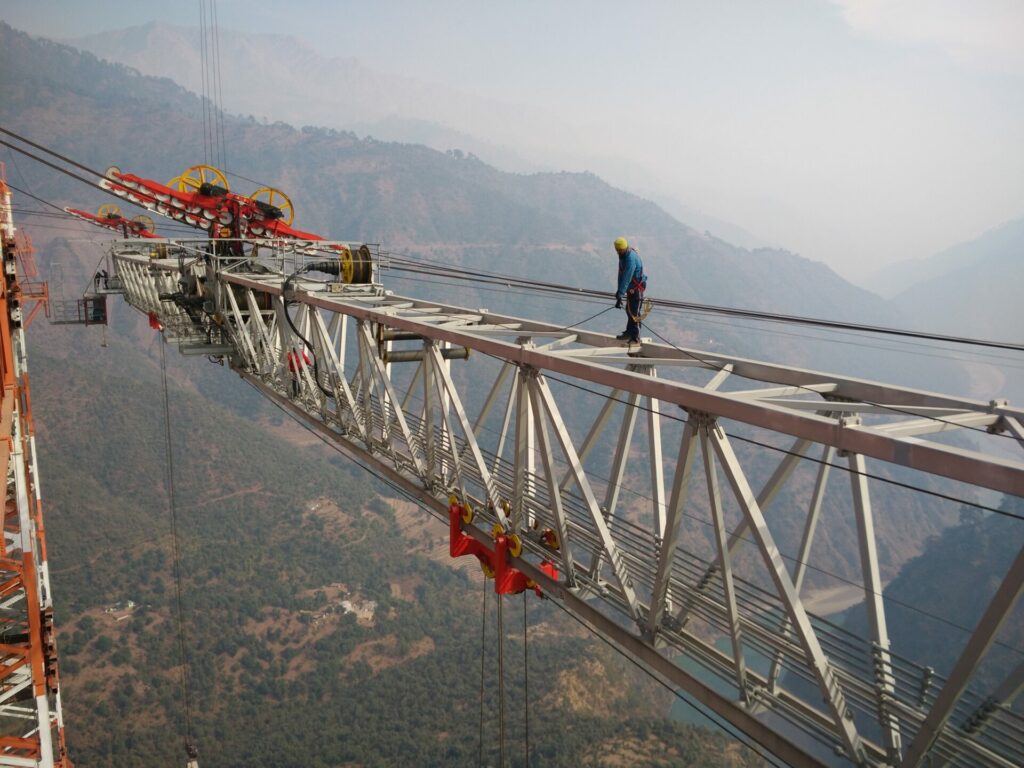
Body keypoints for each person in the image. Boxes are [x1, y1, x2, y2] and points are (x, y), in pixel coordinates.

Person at [613, 237, 646, 343]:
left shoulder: (630, 258)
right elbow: (621, 275)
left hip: (636, 289)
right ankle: (629, 332)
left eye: (619, 250)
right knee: (629, 310)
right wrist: (619, 293)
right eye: (617, 250)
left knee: (635, 313)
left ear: (624, 248)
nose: (618, 252)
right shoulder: (623, 256)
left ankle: (636, 337)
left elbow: (627, 276)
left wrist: (621, 293)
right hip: (631, 288)